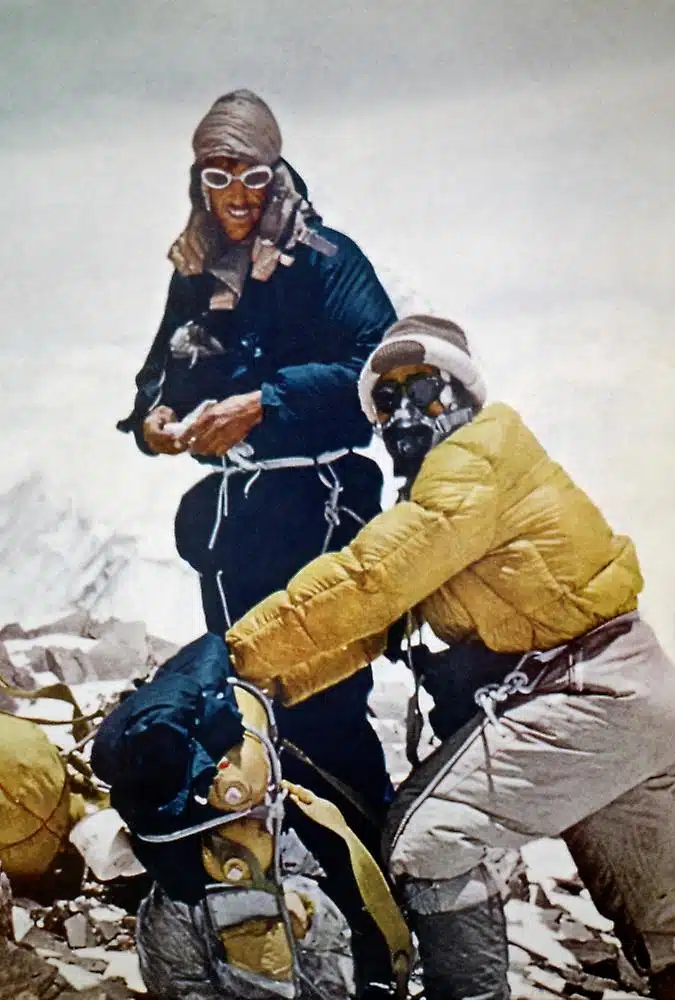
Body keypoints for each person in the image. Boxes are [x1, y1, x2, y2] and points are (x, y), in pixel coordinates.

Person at [226, 314, 675, 1000]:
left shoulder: (471, 462)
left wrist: (235, 654)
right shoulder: (460, 485)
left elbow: (367, 581)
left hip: (589, 697)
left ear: (463, 393)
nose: (404, 411)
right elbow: (376, 627)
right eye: (386, 398)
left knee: (426, 839)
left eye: (423, 388)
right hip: (633, 698)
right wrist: (272, 681)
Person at [116, 88, 397, 992]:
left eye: (251, 175)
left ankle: (376, 929)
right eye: (217, 177)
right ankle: (289, 921)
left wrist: (264, 403)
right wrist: (155, 422)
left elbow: (377, 366)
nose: (236, 194)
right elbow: (155, 376)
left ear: (277, 173)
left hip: (316, 510)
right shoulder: (196, 268)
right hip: (235, 525)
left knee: (325, 714)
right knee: (248, 710)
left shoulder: (325, 258)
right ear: (197, 182)